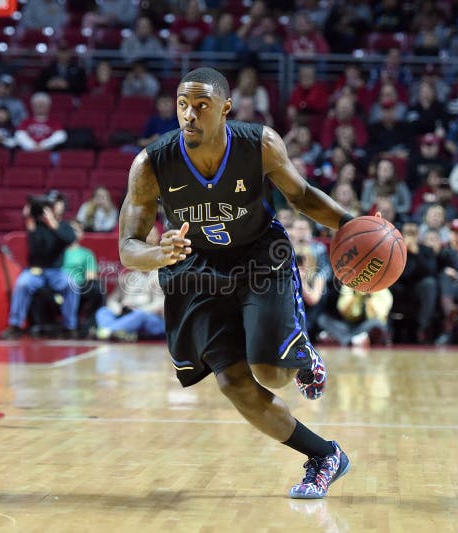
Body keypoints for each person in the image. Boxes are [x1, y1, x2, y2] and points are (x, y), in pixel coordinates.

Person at [118, 68, 354, 499]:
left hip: (259, 259)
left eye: (201, 106)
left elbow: (300, 196)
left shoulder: (258, 144)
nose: (189, 115)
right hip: (195, 271)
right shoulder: (151, 164)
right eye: (182, 105)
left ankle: (300, 354)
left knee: (271, 371)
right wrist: (158, 254)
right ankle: (324, 456)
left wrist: (349, 225)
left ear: (225, 107)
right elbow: (127, 246)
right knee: (234, 385)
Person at [1, 191, 77, 339]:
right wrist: (30, 222)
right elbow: (35, 249)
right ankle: (15, 325)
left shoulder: (64, 226)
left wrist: (53, 225)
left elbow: (69, 239)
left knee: (71, 284)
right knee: (23, 283)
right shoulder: (37, 226)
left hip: (56, 272)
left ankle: (70, 327)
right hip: (35, 271)